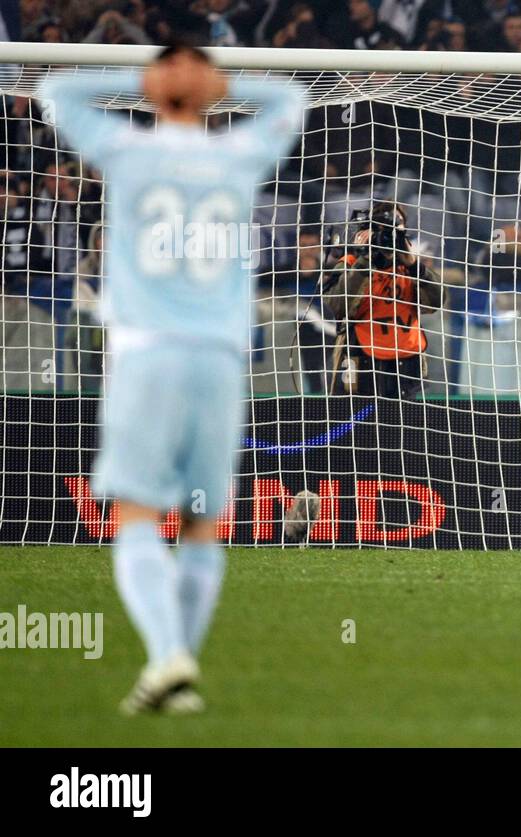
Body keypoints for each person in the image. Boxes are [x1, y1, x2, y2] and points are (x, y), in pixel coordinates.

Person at [41, 41, 302, 713]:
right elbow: (293, 98)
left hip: (148, 353)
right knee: (199, 520)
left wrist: (149, 80)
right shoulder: (238, 154)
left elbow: (57, 91)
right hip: (219, 356)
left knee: (136, 512)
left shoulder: (128, 150)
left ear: (156, 87)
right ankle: (176, 674)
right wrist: (218, 82)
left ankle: (166, 655)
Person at [320, 202, 442, 399]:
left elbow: (435, 303)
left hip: (405, 362)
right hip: (360, 358)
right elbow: (336, 307)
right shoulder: (351, 263)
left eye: (398, 224)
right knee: (355, 425)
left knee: (401, 425)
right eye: (386, 225)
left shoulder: (409, 266)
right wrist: (365, 260)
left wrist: (413, 265)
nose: (392, 231)